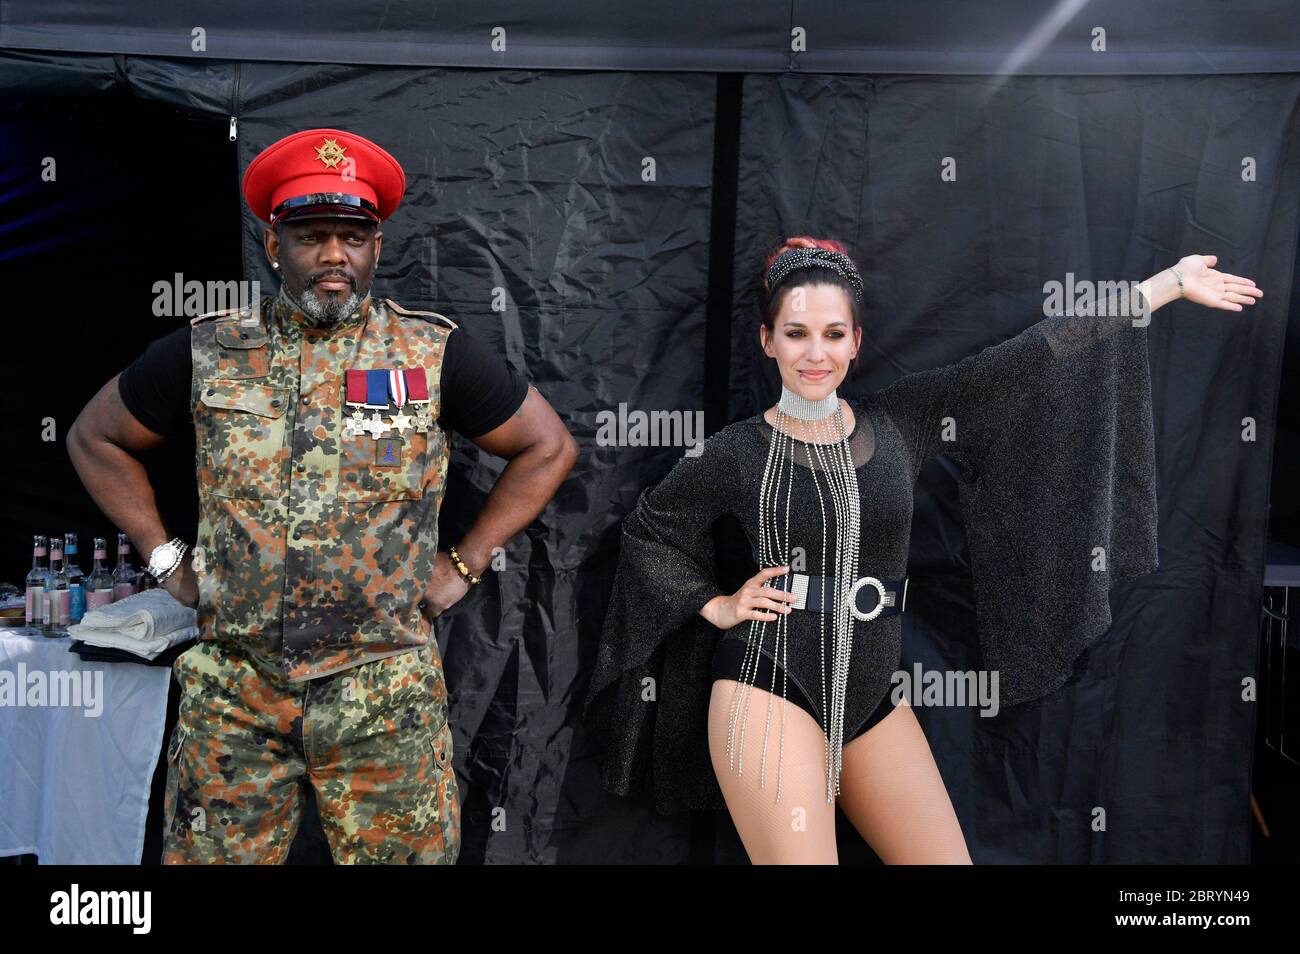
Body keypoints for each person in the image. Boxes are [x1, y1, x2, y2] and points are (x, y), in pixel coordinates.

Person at [584, 236, 1260, 864]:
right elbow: (651, 529)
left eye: (833, 334)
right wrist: (715, 605)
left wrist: (1167, 286)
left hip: (872, 694)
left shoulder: (904, 418)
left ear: (856, 342)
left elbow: (1037, 354)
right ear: (768, 340)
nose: (815, 353)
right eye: (796, 333)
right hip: (767, 685)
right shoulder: (733, 452)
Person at [67, 127, 579, 864]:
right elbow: (96, 438)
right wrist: (164, 558)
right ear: (275, 246)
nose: (334, 255)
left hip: (384, 697)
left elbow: (547, 447)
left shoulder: (428, 356)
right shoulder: (210, 352)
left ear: (376, 248)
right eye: (312, 237)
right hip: (236, 694)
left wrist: (463, 565)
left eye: (353, 237)